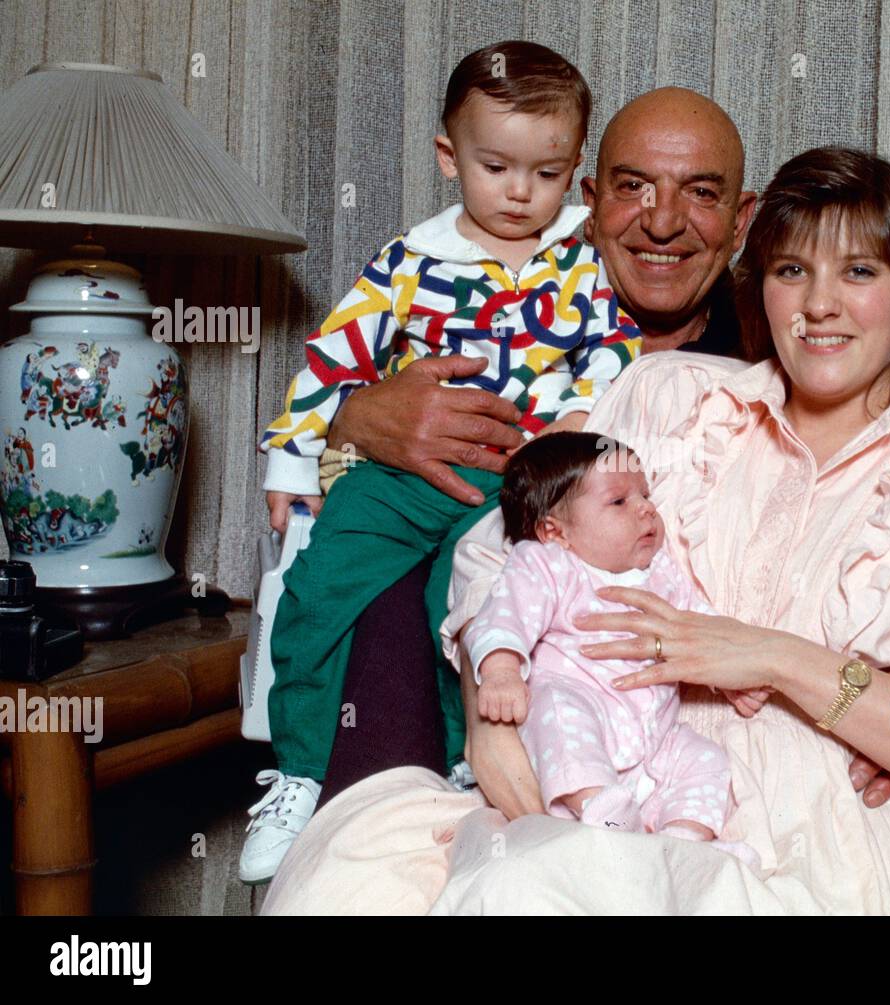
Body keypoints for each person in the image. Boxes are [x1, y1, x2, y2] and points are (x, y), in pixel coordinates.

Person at [303, 88, 890, 914]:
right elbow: (501, 550)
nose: (820, 305)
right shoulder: (667, 396)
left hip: (823, 829)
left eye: (860, 272)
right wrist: (493, 714)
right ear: (759, 281)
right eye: (793, 270)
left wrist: (785, 661)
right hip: (604, 773)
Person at [239, 40, 641, 884]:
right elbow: (334, 354)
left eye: (548, 172)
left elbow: (614, 348)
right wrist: (291, 456)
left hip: (512, 479)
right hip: (401, 476)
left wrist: (576, 413)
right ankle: (300, 773)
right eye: (497, 167)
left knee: (464, 605)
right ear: (448, 159)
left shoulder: (580, 257)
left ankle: (468, 764)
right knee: (316, 593)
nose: (521, 192)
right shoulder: (411, 258)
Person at [464, 431, 760, 866]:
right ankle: (600, 811)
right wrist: (501, 671)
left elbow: (701, 631)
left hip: (653, 735)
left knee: (704, 758)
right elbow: (504, 615)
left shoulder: (663, 573)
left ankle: (685, 845)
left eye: (645, 494)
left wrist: (729, 678)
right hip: (581, 710)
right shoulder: (547, 563)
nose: (646, 508)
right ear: (555, 531)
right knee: (559, 711)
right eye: (619, 501)